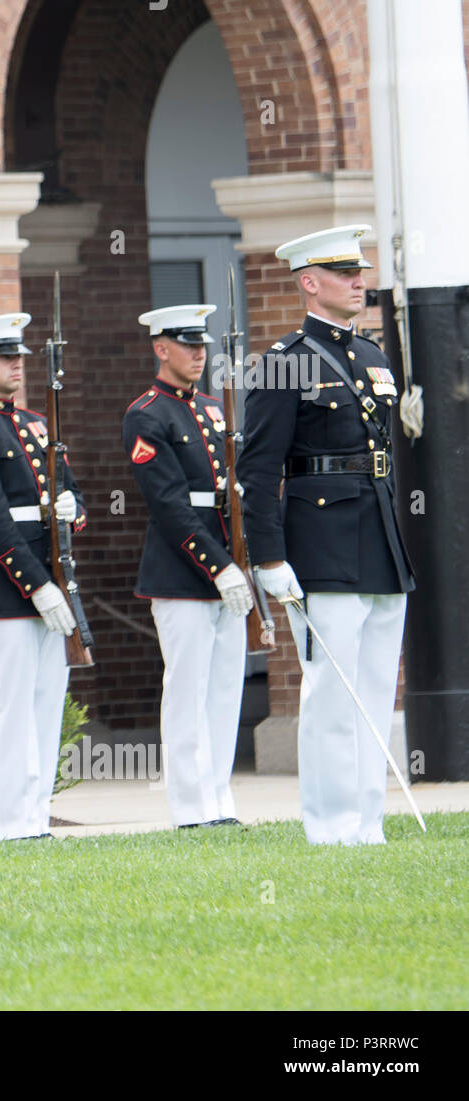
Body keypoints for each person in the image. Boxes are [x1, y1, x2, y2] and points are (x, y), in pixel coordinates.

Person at [241, 225, 415, 846]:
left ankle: (368, 825)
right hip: (319, 543)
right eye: (345, 272)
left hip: (378, 536)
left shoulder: (370, 357)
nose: (359, 281)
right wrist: (268, 558)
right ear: (310, 283)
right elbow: (258, 472)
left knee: (373, 693)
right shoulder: (283, 364)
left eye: (361, 271)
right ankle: (332, 827)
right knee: (333, 693)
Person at [122, 305, 251, 829]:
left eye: (203, 344)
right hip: (184, 572)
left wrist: (246, 559)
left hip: (229, 562)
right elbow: (170, 505)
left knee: (224, 690)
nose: (200, 354)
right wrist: (218, 566)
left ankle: (220, 800)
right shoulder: (146, 414)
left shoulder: (215, 410)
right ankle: (192, 808)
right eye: (187, 344)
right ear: (161, 348)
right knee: (188, 690)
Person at [0, 313, 85, 840]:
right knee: (15, 702)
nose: (16, 364)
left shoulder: (34, 422)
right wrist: (36, 583)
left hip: (53, 572)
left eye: (19, 357)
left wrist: (71, 505)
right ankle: (12, 820)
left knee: (48, 698)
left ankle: (36, 814)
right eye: (4, 356)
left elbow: (76, 498)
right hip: (12, 585)